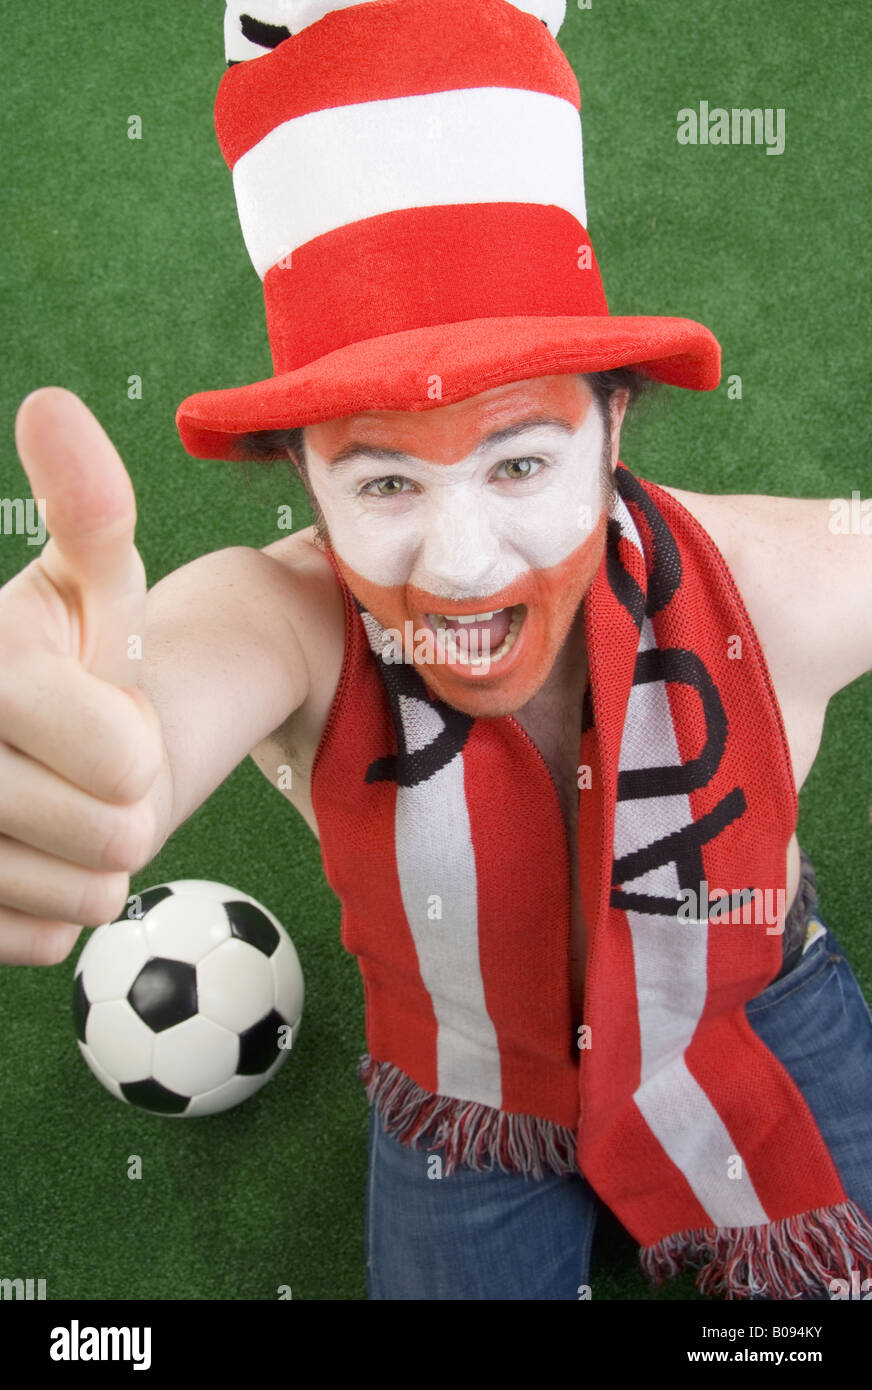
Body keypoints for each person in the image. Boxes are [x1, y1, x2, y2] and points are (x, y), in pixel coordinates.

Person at [3, 0, 871, 1300]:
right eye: (386, 485)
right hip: (463, 1078)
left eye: (522, 459)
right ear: (303, 472)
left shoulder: (789, 581)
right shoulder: (284, 619)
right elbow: (156, 682)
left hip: (754, 1009)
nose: (464, 564)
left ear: (613, 426)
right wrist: (69, 723)